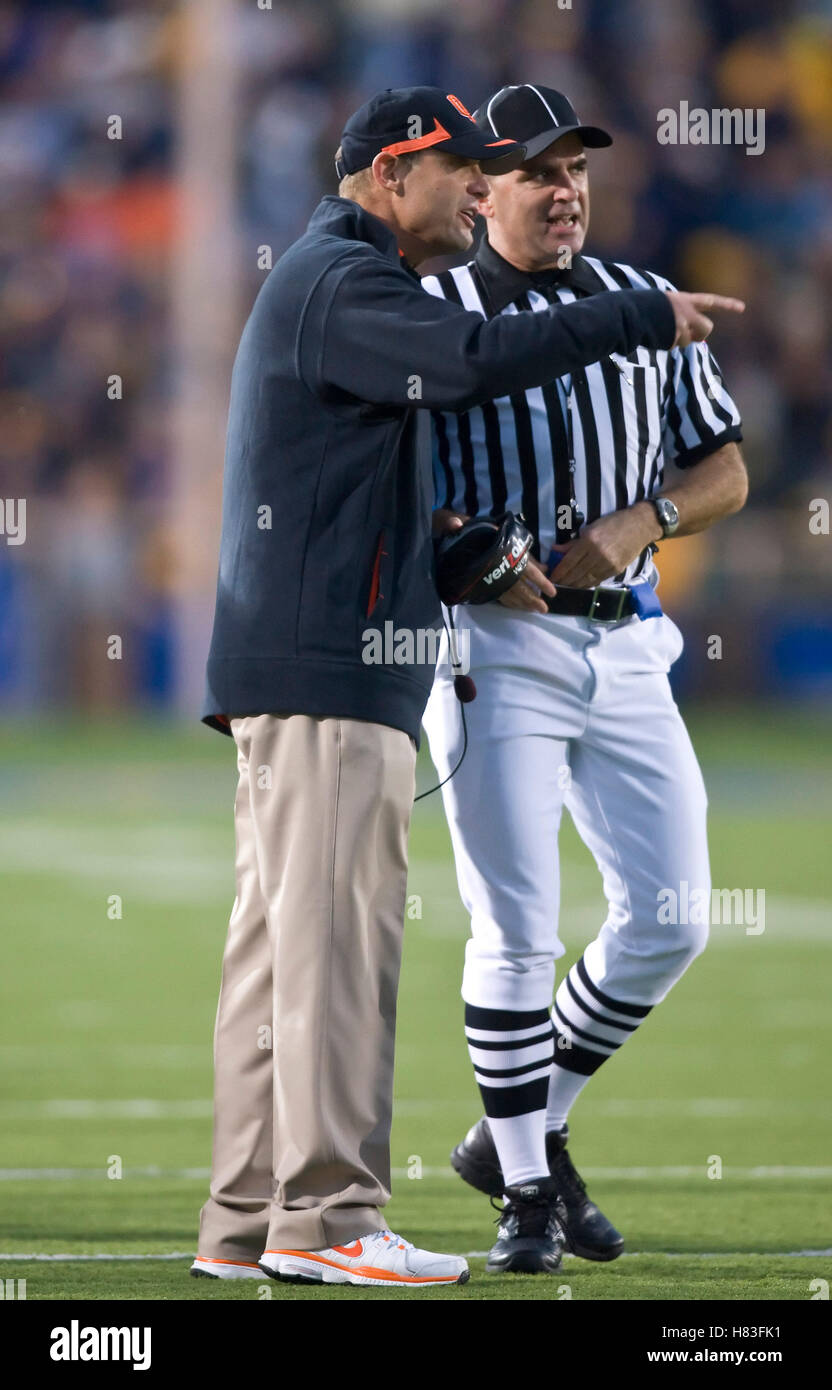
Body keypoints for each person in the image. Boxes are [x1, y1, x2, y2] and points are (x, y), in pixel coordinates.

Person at [193, 85, 743, 1289]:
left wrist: (568, 522)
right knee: (345, 947)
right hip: (363, 661)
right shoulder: (362, 283)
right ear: (399, 174)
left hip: (393, 653)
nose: (511, 187)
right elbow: (472, 357)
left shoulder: (338, 275)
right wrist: (643, 314)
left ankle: (248, 1221)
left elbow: (717, 461)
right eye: (475, 171)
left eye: (560, 167)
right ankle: (330, 1217)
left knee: (282, 959)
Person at [421, 84, 749, 1274]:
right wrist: (461, 535)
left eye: (577, 170)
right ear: (480, 191)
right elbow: (389, 478)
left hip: (626, 637)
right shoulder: (431, 308)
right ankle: (523, 1195)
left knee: (669, 919)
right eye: (536, 172)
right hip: (491, 645)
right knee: (514, 924)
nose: (564, 191)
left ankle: (520, 1129)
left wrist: (641, 516)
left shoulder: (635, 300)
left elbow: (724, 471)